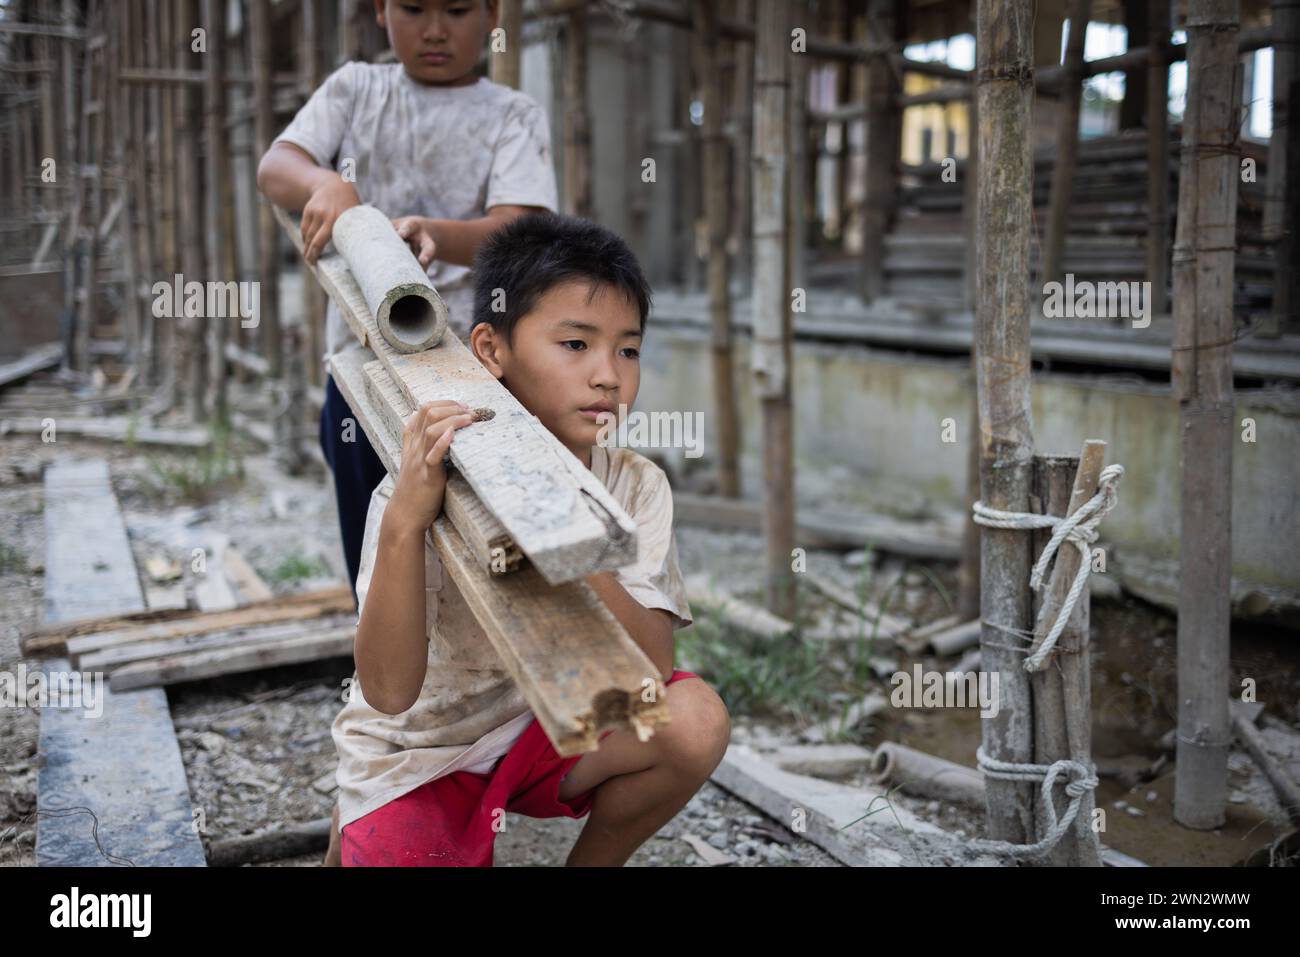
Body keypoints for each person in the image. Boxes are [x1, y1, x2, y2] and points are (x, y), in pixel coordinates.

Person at [331, 213, 730, 866]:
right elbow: (389, 691)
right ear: (490, 350)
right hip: (427, 751)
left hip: (550, 730)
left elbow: (653, 667)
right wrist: (407, 519)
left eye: (627, 349)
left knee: (694, 720)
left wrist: (571, 531)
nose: (609, 375)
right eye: (576, 344)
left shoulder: (634, 486)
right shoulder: (426, 485)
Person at [255, 0, 556, 597]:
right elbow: (276, 165)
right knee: (376, 552)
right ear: (380, 9)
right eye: (413, 8)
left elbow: (517, 228)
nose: (436, 29)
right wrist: (327, 184)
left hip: (479, 379)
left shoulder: (512, 114)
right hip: (363, 373)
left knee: (478, 557)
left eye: (458, 9)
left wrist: (437, 235)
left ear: (493, 13)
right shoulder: (356, 89)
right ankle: (384, 680)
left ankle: (465, 684)